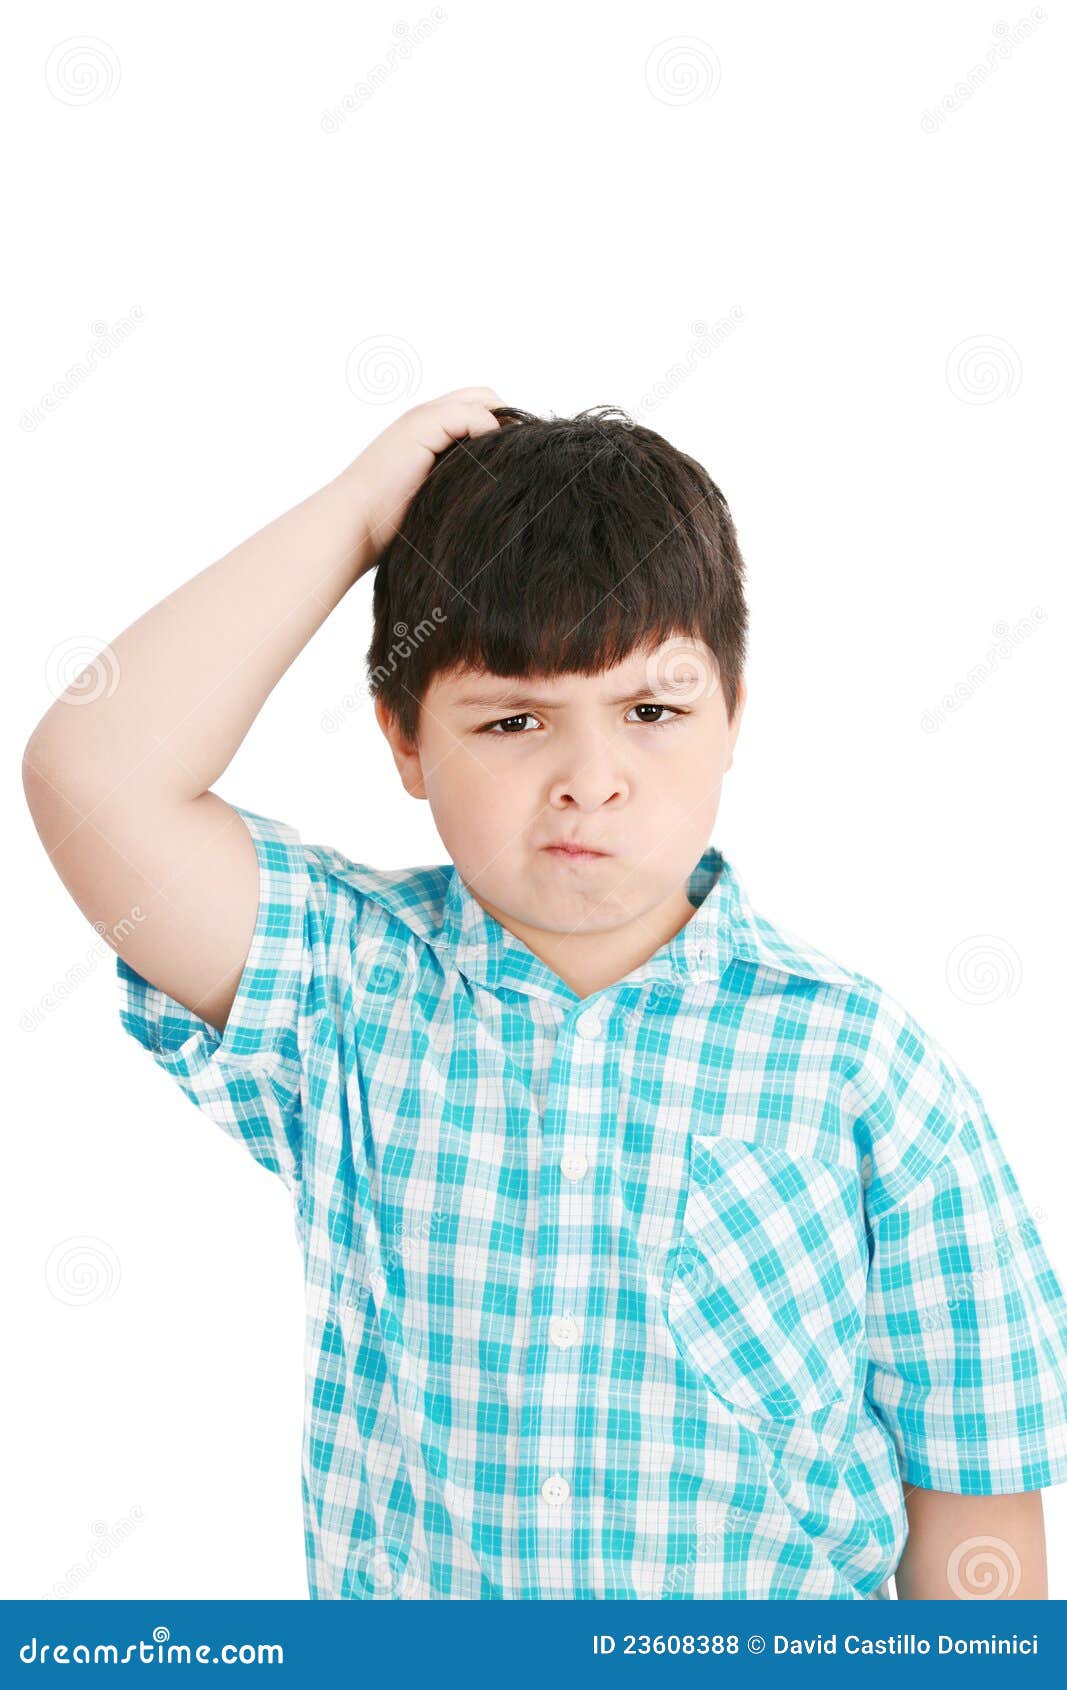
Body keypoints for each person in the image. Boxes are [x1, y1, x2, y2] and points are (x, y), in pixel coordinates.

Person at [22, 387, 1067, 1600]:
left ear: (731, 718)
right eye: (513, 717)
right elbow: (94, 772)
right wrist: (361, 512)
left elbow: (975, 1507)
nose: (589, 781)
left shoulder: (862, 1067)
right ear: (406, 742)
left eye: (650, 711)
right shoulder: (344, 989)